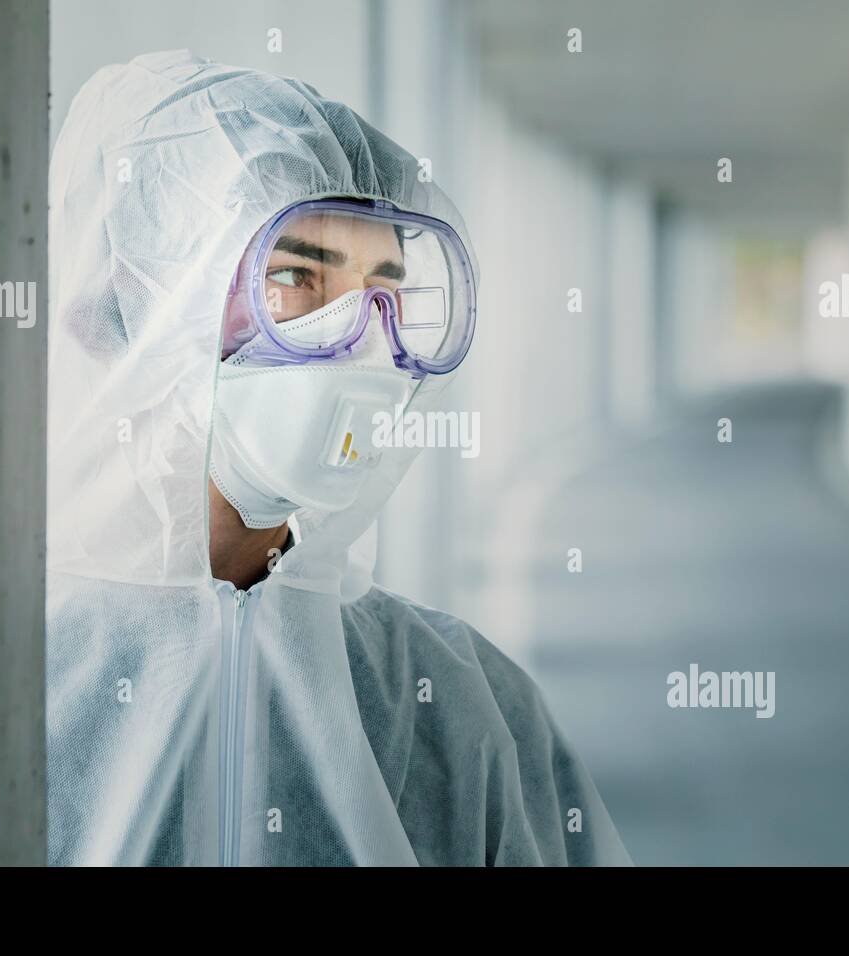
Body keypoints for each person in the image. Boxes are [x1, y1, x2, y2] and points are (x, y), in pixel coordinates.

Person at [46, 50, 631, 866]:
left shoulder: (462, 705)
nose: (361, 340)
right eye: (296, 277)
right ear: (122, 313)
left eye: (386, 291)